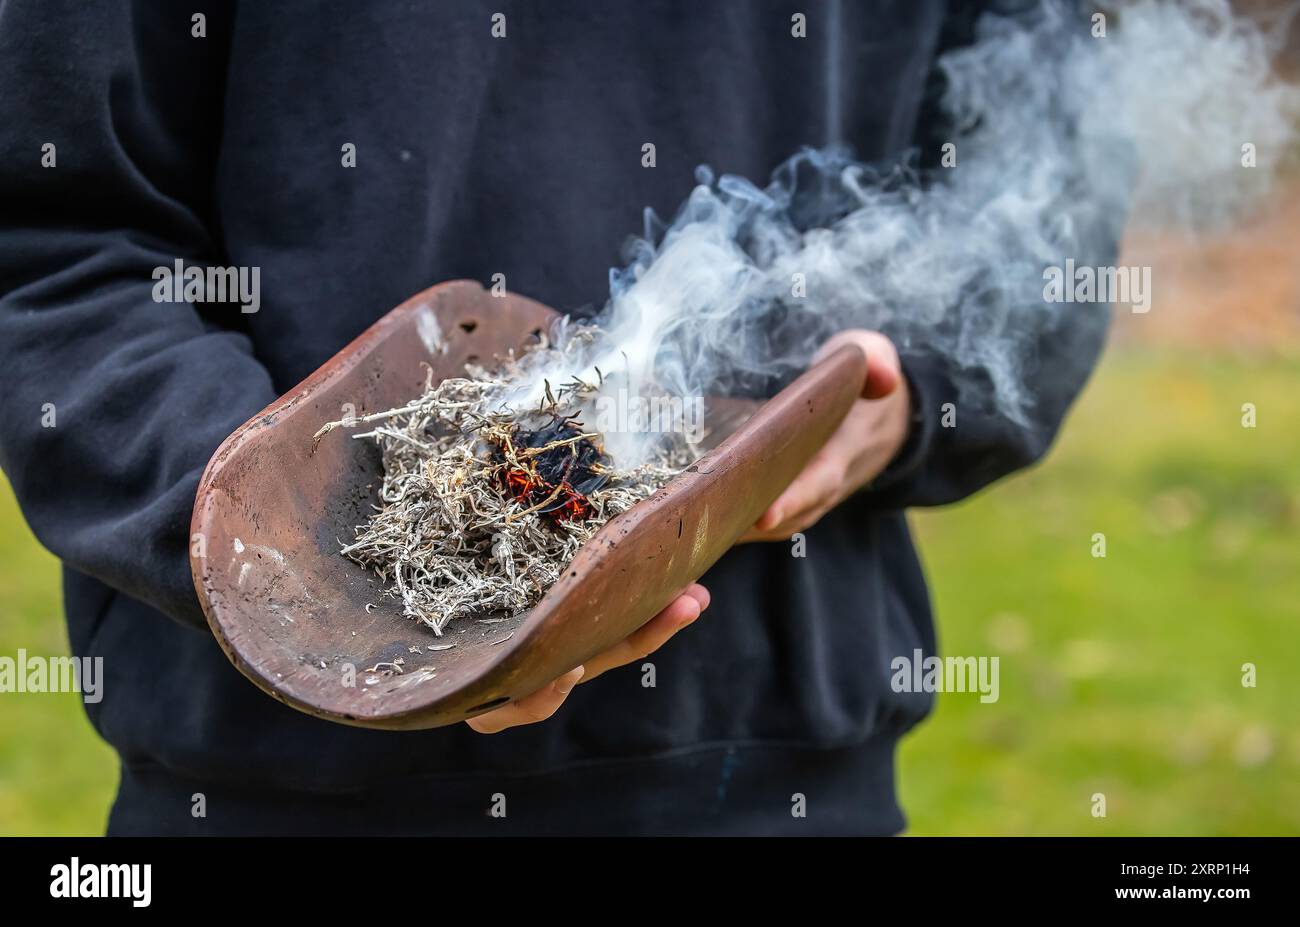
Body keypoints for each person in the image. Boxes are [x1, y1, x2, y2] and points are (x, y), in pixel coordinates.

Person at [0, 0, 1105, 834]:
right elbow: (54, 241)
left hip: (786, 775)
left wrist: (905, 386)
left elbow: (1054, 186)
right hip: (274, 785)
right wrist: (285, 553)